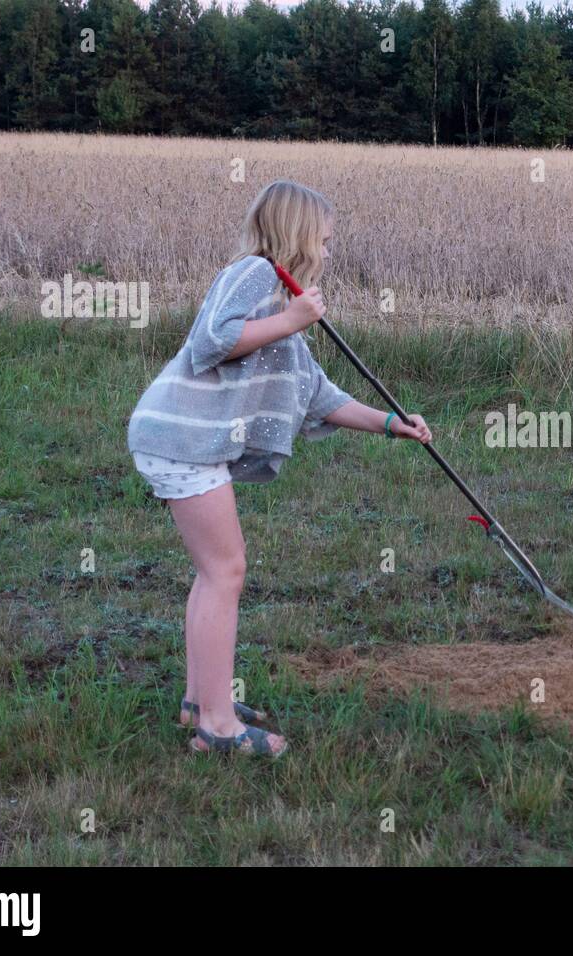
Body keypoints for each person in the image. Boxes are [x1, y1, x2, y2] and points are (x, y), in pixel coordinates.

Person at [127, 180, 432, 757]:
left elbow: (316, 393)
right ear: (298, 234)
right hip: (178, 439)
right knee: (227, 571)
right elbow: (210, 341)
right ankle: (216, 728)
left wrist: (392, 424)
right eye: (324, 238)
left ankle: (199, 700)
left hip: (186, 442)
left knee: (213, 571)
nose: (328, 250)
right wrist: (291, 319)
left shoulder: (281, 296)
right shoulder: (254, 273)